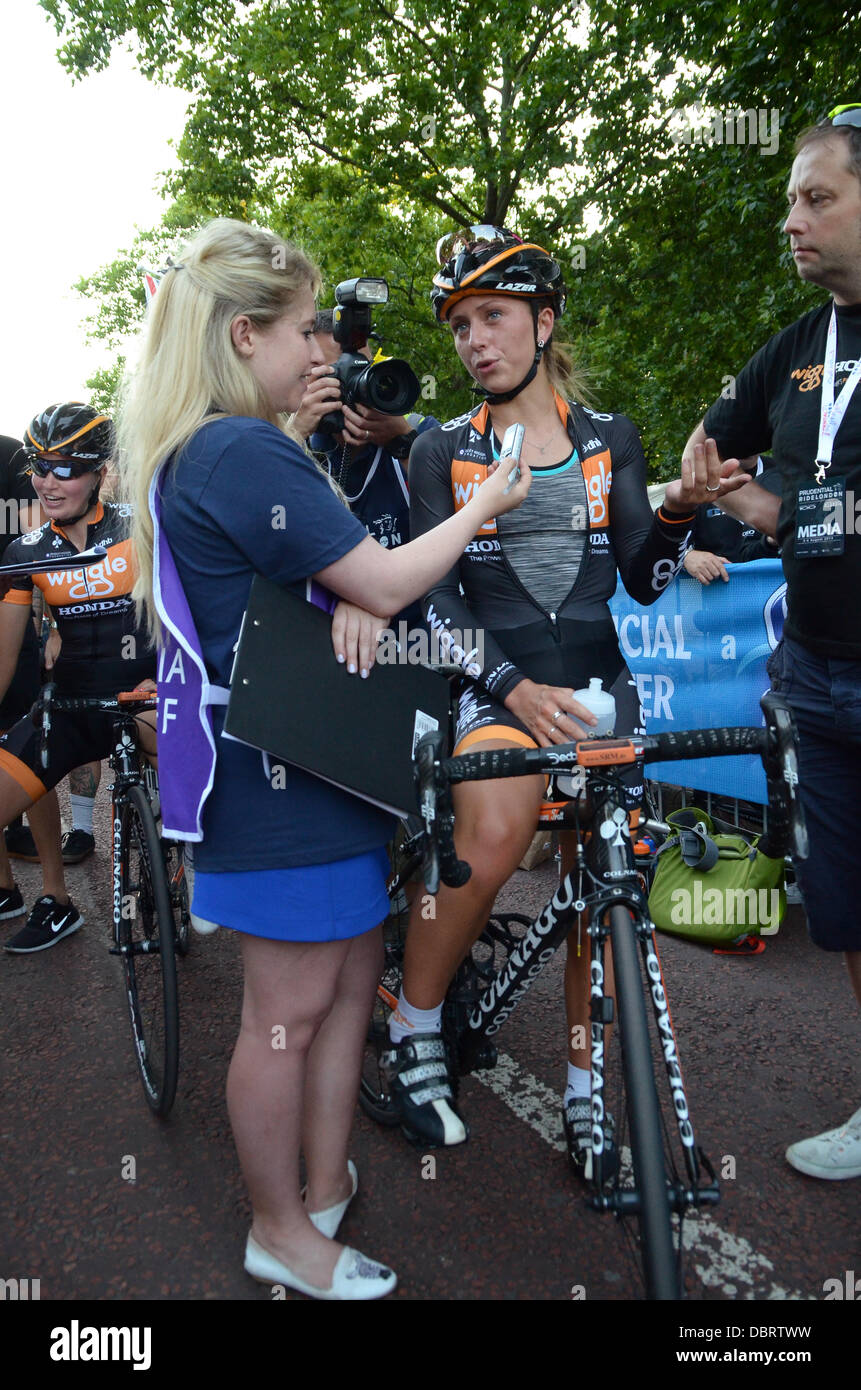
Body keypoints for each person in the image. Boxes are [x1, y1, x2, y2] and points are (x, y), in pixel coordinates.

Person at [118, 217, 530, 1300]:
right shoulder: (235, 447)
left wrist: (347, 580)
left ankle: (322, 1179)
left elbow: (317, 586)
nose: (327, 353)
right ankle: (278, 1226)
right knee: (291, 1013)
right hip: (281, 772)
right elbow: (386, 584)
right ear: (245, 334)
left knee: (348, 989)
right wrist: (483, 502)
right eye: (305, 331)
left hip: (306, 764)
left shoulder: (221, 443)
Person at [383, 226, 748, 1167]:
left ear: (543, 322)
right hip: (494, 681)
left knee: (602, 877)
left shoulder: (609, 438)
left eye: (493, 316)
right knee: (497, 832)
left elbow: (639, 573)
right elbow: (433, 593)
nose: (473, 339)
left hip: (596, 682)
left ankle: (586, 1085)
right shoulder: (440, 449)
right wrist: (509, 683)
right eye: (459, 323)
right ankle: (415, 1030)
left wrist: (675, 510)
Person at [683, 103, 861, 1180]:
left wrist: (779, 511)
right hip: (816, 677)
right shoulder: (799, 346)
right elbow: (714, 447)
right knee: (847, 911)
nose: (790, 219)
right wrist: (717, 480)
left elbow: (799, 504)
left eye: (817, 197)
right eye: (789, 197)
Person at [0, 403, 157, 953]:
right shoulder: (24, 553)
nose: (47, 481)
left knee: (188, 751)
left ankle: (196, 860)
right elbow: (3, 661)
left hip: (142, 695)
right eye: (39, 467)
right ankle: (57, 903)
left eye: (65, 468)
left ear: (100, 473)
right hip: (68, 708)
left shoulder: (142, 526)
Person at [0, 433, 41, 864]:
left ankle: (54, 888)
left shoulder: (11, 453)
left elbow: (35, 533)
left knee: (25, 735)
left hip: (10, 610)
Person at [682, 456, 781, 584]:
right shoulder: (698, 479)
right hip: (717, 590)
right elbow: (661, 542)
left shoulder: (783, 471)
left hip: (776, 590)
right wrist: (687, 556)